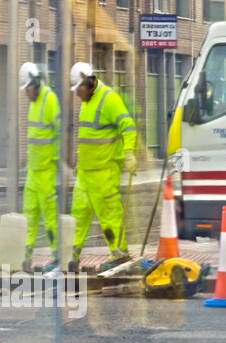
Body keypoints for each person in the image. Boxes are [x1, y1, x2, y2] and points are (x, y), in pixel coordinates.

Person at [69, 62, 138, 272]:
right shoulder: (87, 100)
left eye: (79, 90)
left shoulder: (110, 99)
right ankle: (71, 256)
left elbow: (128, 126)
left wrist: (129, 153)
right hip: (86, 172)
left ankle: (119, 255)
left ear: (89, 83)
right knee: (78, 216)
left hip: (105, 171)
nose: (78, 95)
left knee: (109, 216)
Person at [19, 63, 60, 272]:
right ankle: (24, 257)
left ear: (35, 83)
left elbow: (60, 132)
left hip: (47, 171)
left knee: (50, 217)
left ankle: (56, 257)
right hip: (33, 171)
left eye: (28, 88)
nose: (27, 93)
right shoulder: (34, 103)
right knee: (30, 215)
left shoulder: (49, 100)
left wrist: (60, 163)